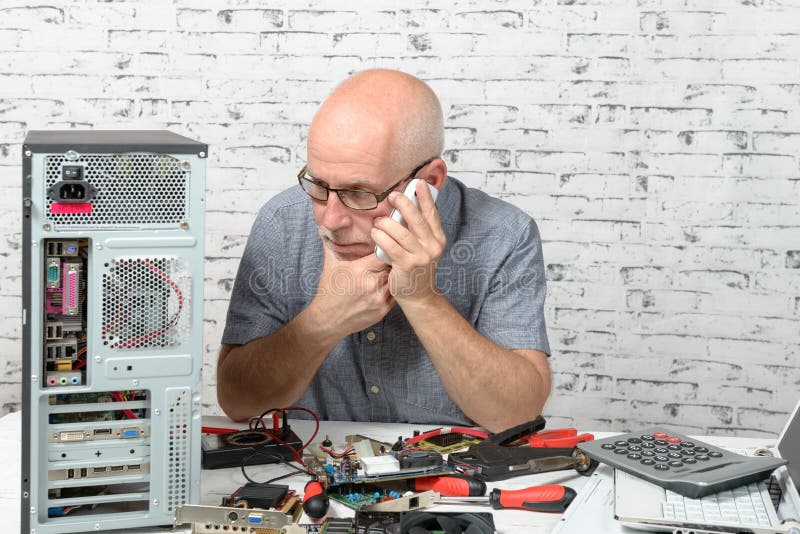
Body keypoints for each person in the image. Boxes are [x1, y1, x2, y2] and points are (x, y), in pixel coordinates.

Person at [216, 69, 551, 433]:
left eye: (359, 193)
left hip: (453, 474)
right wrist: (325, 319)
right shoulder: (281, 223)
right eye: (318, 185)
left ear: (430, 181)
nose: (331, 220)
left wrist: (423, 299)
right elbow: (237, 402)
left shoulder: (505, 233)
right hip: (311, 471)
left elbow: (518, 415)